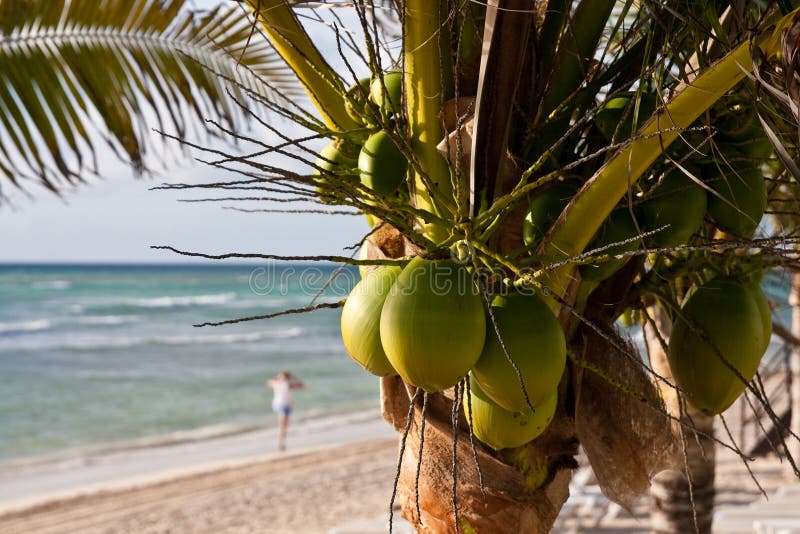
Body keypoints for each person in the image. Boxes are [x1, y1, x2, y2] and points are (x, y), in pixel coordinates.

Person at [267, 371, 304, 451]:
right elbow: (302, 385)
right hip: (283, 406)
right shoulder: (288, 385)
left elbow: (269, 382)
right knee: (283, 427)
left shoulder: (277, 383)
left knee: (283, 427)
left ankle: (281, 444)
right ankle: (281, 444)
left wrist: (277, 377)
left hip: (279, 405)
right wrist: (294, 377)